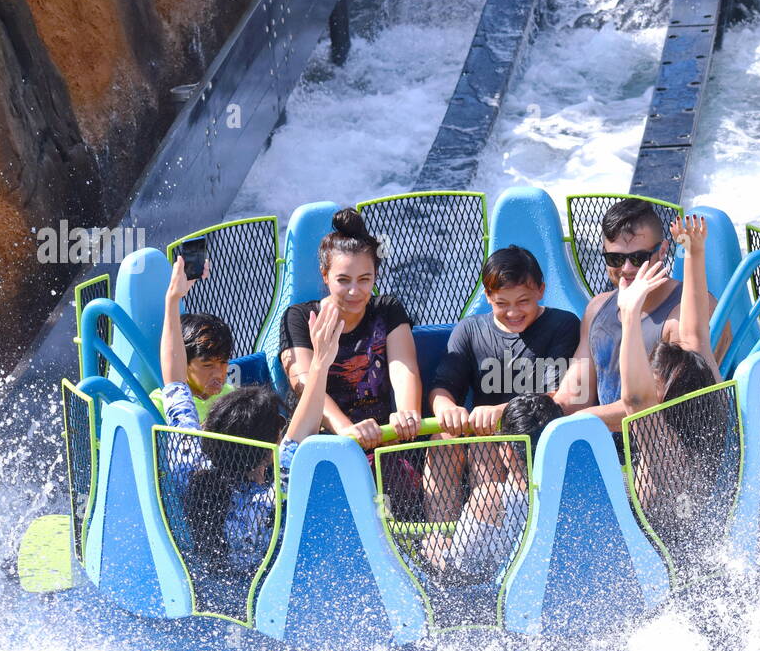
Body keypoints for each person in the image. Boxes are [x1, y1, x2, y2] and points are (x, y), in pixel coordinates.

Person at [159, 256, 341, 606]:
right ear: (265, 450)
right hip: (259, 595)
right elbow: (303, 429)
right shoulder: (268, 498)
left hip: (207, 587)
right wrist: (320, 363)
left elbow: (173, 379)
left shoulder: (188, 458)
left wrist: (173, 301)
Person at [553, 199, 726, 430]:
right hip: (601, 444)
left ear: (663, 250)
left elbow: (656, 404)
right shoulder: (597, 309)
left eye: (638, 258)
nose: (626, 268)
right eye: (615, 259)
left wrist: (583, 420)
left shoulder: (682, 314)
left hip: (662, 451)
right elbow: (573, 396)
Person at [277, 207, 423, 450]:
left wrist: (407, 416)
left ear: (375, 277)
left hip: (382, 438)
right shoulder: (301, 318)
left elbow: (403, 369)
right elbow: (303, 384)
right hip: (325, 443)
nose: (354, 291)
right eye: (343, 280)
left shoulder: (387, 309)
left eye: (364, 279)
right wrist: (347, 430)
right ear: (325, 276)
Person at [429, 245, 579, 436]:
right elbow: (443, 386)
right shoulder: (468, 330)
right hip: (484, 435)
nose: (513, 312)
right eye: (502, 304)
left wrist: (503, 412)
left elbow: (558, 396)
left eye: (523, 301)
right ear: (488, 297)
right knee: (443, 438)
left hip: (537, 434)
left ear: (541, 290)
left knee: (489, 450)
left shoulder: (562, 325)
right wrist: (446, 408)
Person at [421, 392, 562, 584]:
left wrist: (437, 553)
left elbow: (458, 578)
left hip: (495, 602)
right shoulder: (570, 496)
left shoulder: (489, 497)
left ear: (507, 450)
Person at [618, 215, 719, 416]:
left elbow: (635, 399)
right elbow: (696, 334)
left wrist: (629, 315)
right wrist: (693, 251)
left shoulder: (655, 433)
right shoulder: (717, 399)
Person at [149, 307, 234, 422]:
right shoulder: (159, 404)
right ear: (182, 362)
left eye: (224, 362)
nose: (219, 374)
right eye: (208, 365)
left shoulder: (230, 396)